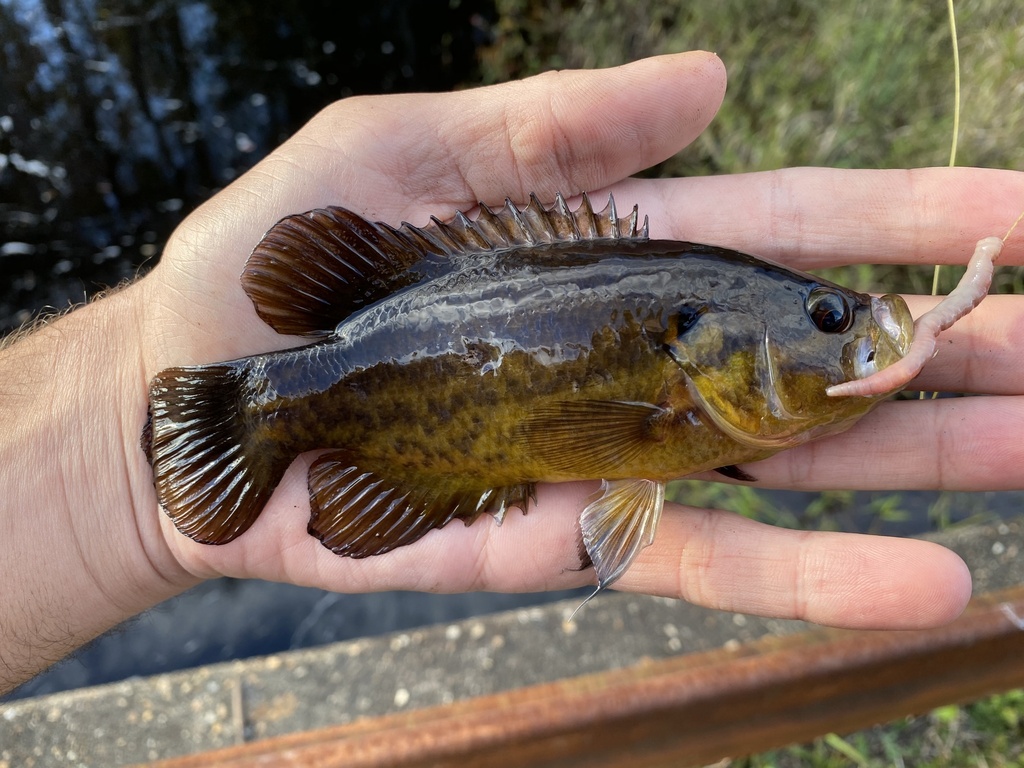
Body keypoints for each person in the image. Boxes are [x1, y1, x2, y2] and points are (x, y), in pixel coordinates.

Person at [1, 51, 1021, 696]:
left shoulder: (691, 390)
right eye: (829, 317)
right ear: (700, 341)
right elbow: (618, 445)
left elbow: (622, 452)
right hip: (348, 362)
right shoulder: (682, 398)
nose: (855, 331)